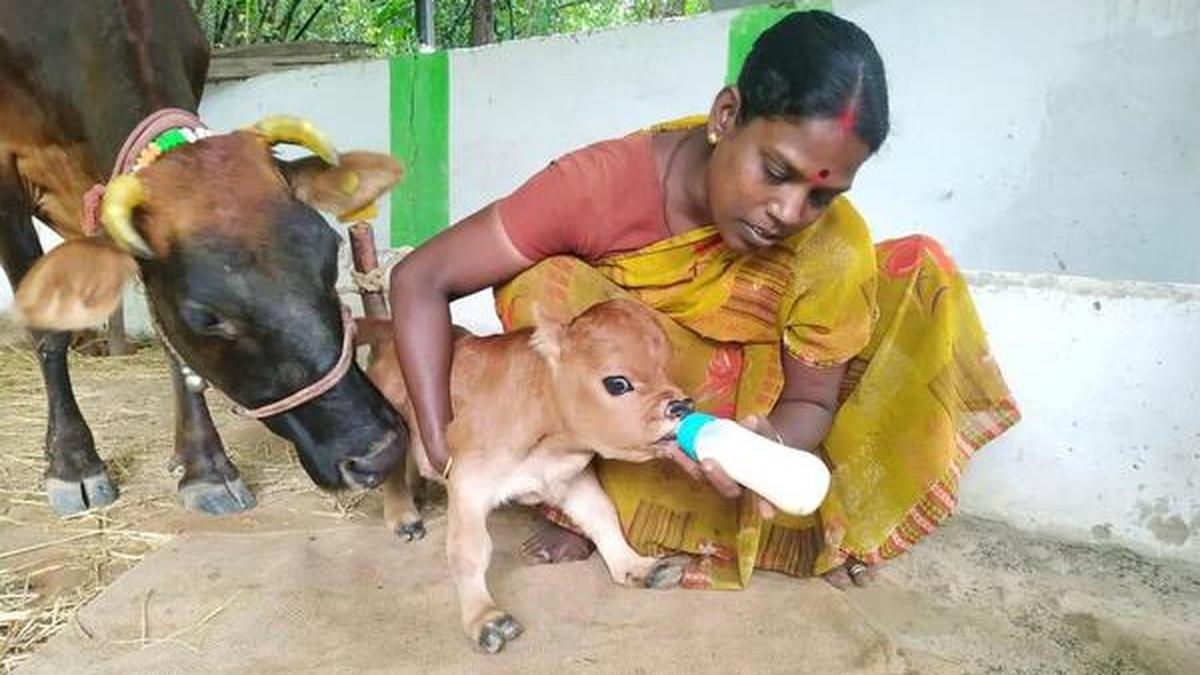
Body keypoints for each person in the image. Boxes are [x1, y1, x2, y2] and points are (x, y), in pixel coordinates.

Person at [388, 10, 1019, 590]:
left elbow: (810, 397)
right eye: (775, 172)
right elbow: (421, 278)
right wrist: (442, 446)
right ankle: (579, 507)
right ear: (725, 117)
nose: (790, 212)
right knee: (543, 284)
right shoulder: (597, 188)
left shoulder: (833, 246)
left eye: (821, 195)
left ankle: (802, 524)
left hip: (737, 408)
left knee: (918, 273)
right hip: (630, 402)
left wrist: (765, 446)